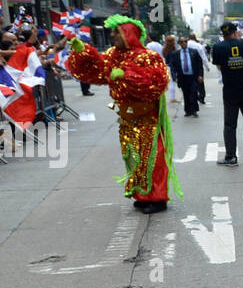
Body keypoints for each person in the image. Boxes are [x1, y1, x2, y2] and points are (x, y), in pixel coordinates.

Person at [65, 15, 180, 213]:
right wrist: (82, 51)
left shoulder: (148, 56)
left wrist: (126, 75)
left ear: (128, 33)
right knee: (133, 156)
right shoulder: (113, 54)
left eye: (116, 32)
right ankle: (142, 195)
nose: (112, 36)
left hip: (146, 117)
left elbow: (156, 83)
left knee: (151, 156)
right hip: (127, 117)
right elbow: (97, 71)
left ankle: (158, 198)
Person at [210, 21, 243, 166]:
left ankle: (231, 157)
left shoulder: (218, 47)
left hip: (230, 91)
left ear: (223, 34)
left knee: (230, 125)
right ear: (235, 32)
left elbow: (219, 67)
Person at [170, 34, 203, 117]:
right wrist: (174, 76)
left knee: (194, 93)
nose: (184, 43)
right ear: (179, 43)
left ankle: (194, 110)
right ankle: (187, 111)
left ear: (187, 42)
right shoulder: (175, 54)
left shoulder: (194, 52)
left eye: (185, 41)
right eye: (181, 42)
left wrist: (200, 75)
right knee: (186, 94)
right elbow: (173, 66)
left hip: (193, 76)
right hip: (183, 77)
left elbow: (199, 64)